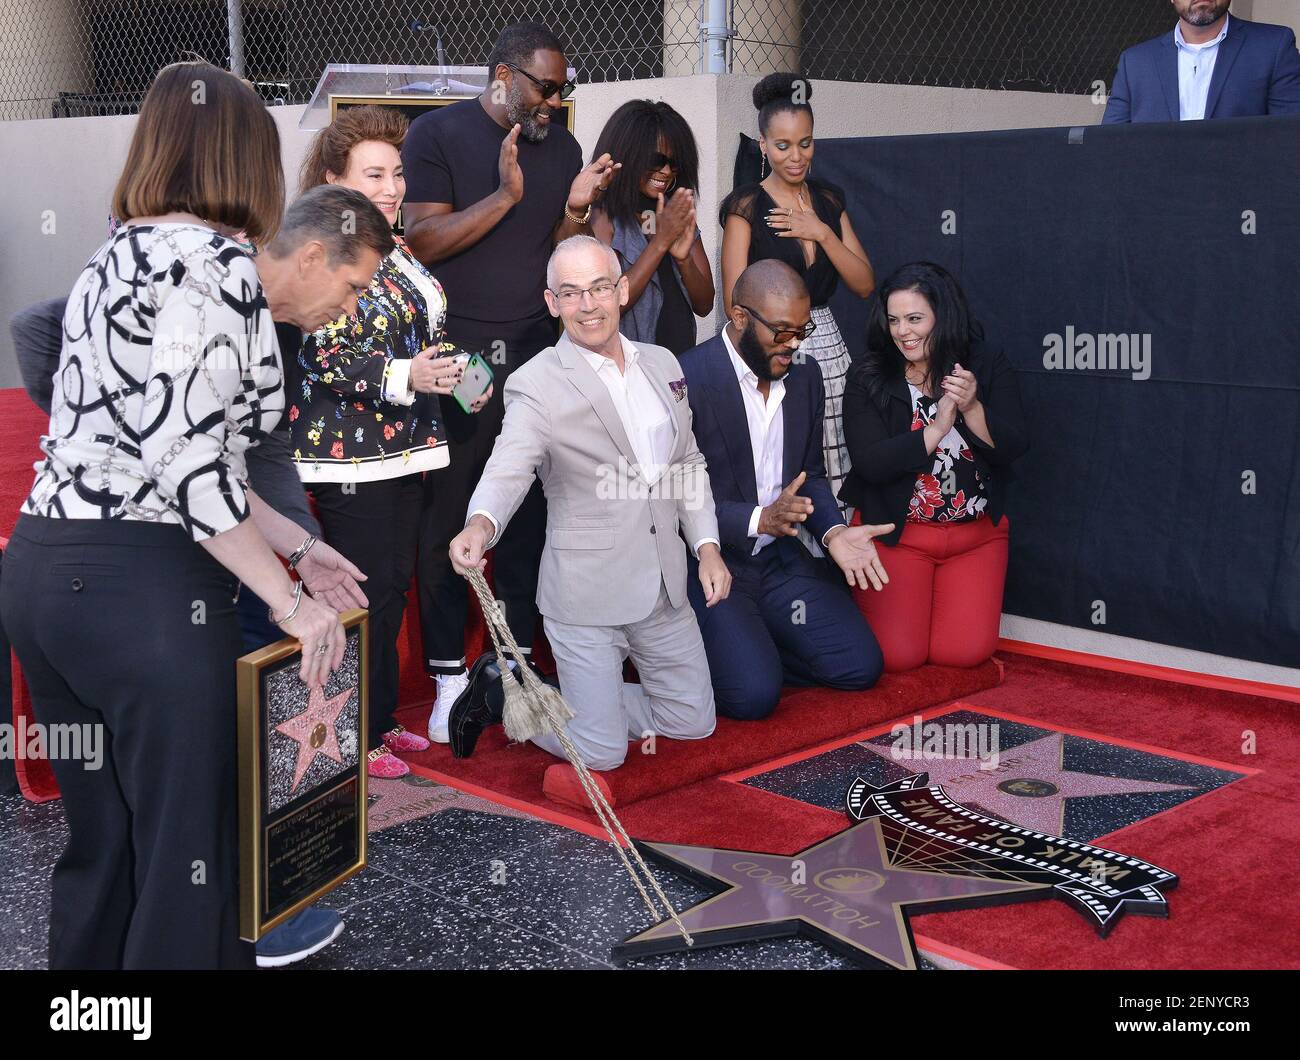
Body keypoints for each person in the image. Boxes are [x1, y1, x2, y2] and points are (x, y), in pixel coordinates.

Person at [0, 66, 391, 969]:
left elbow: (175, 451)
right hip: (142, 596)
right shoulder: (215, 269)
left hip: (47, 576)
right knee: (188, 861)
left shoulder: (115, 255)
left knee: (106, 850)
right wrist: (292, 607)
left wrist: (299, 548)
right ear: (243, 158)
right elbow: (186, 470)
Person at [448, 236, 729, 797]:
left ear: (622, 290)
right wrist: (480, 523)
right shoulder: (536, 382)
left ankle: (563, 695)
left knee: (692, 723)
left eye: (600, 287)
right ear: (552, 303)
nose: (589, 304)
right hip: (586, 596)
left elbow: (687, 461)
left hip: (663, 584)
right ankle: (504, 693)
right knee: (603, 750)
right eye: (571, 293)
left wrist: (707, 547)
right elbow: (511, 465)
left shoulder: (663, 363)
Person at [403, 22, 620, 741]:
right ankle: (446, 678)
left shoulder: (561, 147)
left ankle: (517, 667)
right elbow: (423, 240)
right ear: (503, 75)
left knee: (529, 515)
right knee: (450, 517)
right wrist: (503, 195)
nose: (555, 103)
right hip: (457, 354)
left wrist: (574, 209)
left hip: (534, 350)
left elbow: (559, 255)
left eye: (564, 89)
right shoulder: (435, 135)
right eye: (545, 87)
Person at [292, 105, 489, 776]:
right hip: (349, 455)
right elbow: (322, 354)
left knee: (390, 590)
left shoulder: (395, 248)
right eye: (373, 174)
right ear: (332, 179)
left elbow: (419, 339)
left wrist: (461, 377)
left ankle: (374, 722)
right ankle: (351, 736)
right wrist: (409, 374)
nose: (392, 187)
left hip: (407, 446)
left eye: (398, 173)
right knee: (364, 597)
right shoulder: (319, 250)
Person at [680, 260, 889, 719]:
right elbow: (674, 494)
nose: (794, 344)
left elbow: (809, 473)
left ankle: (753, 647)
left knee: (860, 666)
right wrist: (759, 519)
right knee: (753, 698)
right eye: (781, 332)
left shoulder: (806, 377)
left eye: (802, 329)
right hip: (711, 564)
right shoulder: (686, 378)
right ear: (738, 317)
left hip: (778, 562)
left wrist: (833, 533)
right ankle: (737, 655)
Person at [839, 262, 1028, 673]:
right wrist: (938, 426)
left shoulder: (985, 363)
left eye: (915, 319)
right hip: (897, 536)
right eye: (894, 320)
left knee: (963, 654)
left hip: (976, 539)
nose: (903, 331)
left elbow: (1014, 446)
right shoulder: (868, 374)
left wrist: (973, 408)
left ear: (943, 317)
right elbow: (871, 463)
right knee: (897, 657)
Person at [720, 73, 876, 527]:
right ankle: (782, 556)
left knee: (835, 453)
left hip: (828, 346)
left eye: (805, 143)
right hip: (768, 347)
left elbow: (865, 284)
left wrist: (822, 233)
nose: (796, 156)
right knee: (780, 457)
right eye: (783, 145)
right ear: (763, 146)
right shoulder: (745, 206)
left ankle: (835, 549)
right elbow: (736, 301)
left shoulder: (828, 200)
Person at [589, 99, 713, 354]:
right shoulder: (602, 215)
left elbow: (704, 305)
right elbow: (607, 304)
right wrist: (660, 243)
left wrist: (683, 260)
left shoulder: (676, 211)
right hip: (629, 370)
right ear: (628, 154)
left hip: (678, 366)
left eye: (675, 162)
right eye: (657, 160)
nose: (666, 171)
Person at [1103, 1, 1300, 123]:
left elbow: (1289, 139)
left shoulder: (1274, 47)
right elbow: (1110, 147)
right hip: (1156, 188)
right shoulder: (1135, 62)